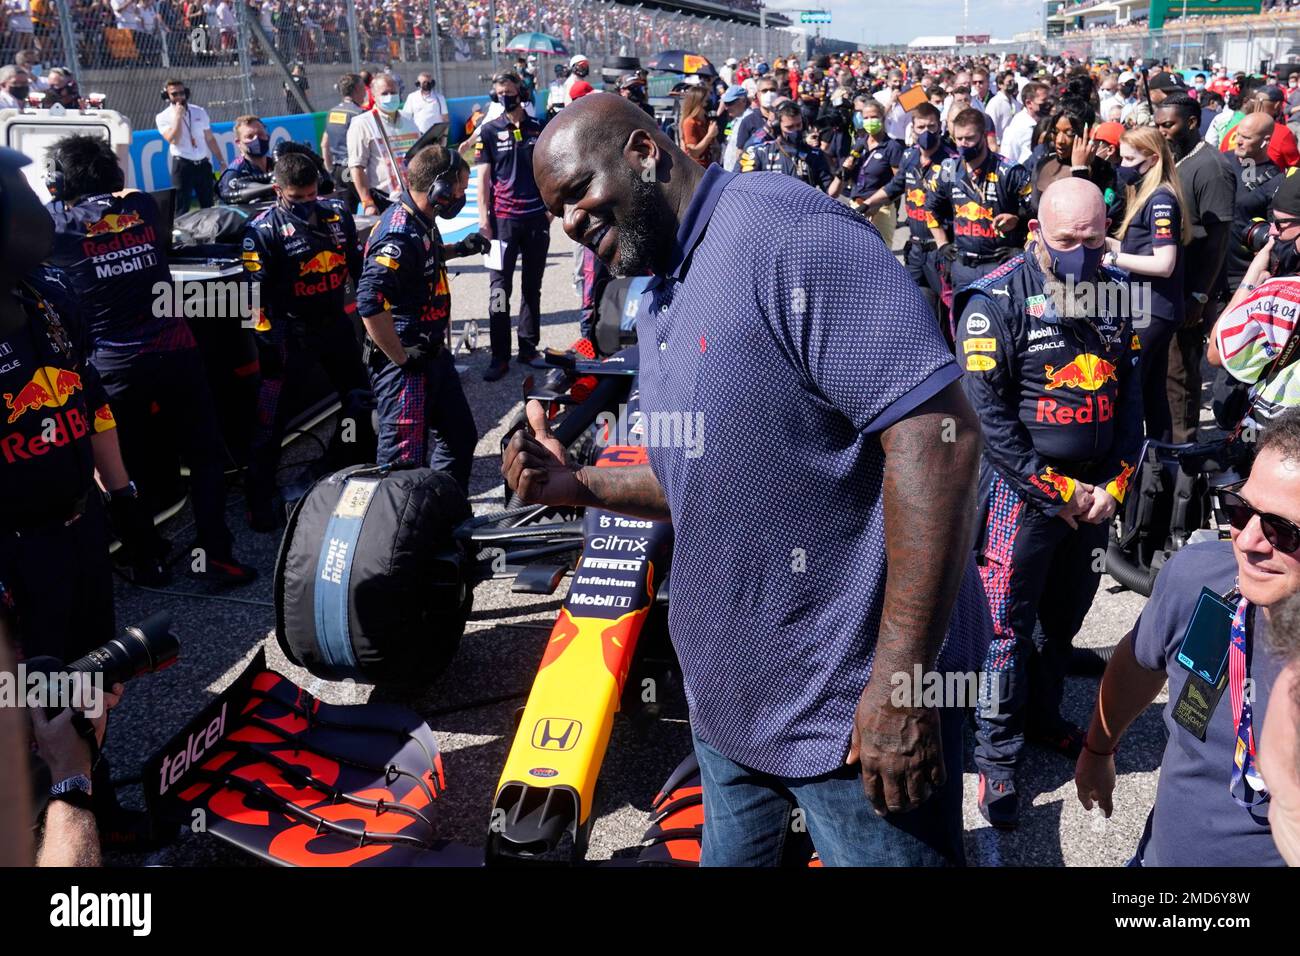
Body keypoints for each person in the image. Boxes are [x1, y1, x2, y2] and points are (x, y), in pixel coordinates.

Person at [517, 91, 991, 867]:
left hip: (846, 721)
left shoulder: (787, 234)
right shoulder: (658, 287)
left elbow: (939, 441)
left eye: (577, 193)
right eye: (554, 211)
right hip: (729, 716)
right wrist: (575, 487)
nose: (568, 222)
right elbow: (701, 478)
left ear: (644, 152)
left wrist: (901, 687)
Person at [957, 178, 1144, 829]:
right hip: (1022, 497)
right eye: (1069, 242)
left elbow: (1133, 404)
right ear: (1037, 230)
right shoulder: (994, 300)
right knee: (1005, 629)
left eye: (1095, 241)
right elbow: (989, 420)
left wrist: (1114, 485)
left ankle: (1041, 719)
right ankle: (996, 760)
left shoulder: (1117, 293)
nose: (1083, 255)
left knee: (1061, 621)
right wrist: (1058, 492)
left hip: (1095, 496)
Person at [1075, 409, 1300, 867]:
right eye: (1240, 511)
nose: (1249, 542)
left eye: (1282, 531)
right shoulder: (1198, 578)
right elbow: (1138, 663)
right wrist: (1098, 749)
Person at [44, 135, 255, 586]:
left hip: (114, 366)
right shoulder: (142, 206)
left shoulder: (55, 227)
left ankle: (146, 560)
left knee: (120, 467)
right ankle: (216, 555)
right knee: (203, 455)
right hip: (177, 350)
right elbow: (121, 194)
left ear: (58, 182)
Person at [0, 148, 161, 664]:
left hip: (82, 521)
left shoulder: (50, 293)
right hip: (18, 548)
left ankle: (88, 745)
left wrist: (123, 495)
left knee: (98, 665)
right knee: (34, 687)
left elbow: (90, 400)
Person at [239, 151, 374, 529]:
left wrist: (372, 315)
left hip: (333, 324)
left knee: (359, 398)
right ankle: (259, 500)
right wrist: (267, 345)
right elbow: (252, 299)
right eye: (296, 199)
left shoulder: (337, 215)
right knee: (270, 422)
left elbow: (359, 269)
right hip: (287, 333)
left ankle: (350, 464)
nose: (305, 205)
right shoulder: (261, 231)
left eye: (311, 195)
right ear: (278, 191)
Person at [355, 145, 483, 491]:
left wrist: (459, 249)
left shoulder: (421, 220)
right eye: (460, 187)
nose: (461, 194)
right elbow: (368, 299)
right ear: (439, 188)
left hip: (432, 354)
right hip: (405, 364)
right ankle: (405, 538)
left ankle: (442, 512)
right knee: (403, 466)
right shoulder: (398, 233)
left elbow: (423, 259)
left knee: (459, 437)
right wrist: (401, 357)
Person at [1156, 93, 1236, 444]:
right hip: (1168, 285)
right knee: (1164, 371)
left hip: (1192, 288)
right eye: (1158, 125)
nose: (1162, 132)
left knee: (1181, 373)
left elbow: (1219, 240)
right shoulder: (1176, 159)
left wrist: (1201, 295)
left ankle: (1182, 446)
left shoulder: (1211, 168)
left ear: (1191, 122)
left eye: (1169, 124)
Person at [1103, 126, 1191, 441]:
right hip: (1147, 305)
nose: (1122, 165)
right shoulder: (1147, 193)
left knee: (1133, 391)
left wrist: (1113, 260)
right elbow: (1137, 249)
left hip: (1151, 309)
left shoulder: (1161, 199)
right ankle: (1161, 467)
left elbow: (1164, 264)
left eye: (1129, 158)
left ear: (1152, 159)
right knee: (1154, 393)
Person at [1208, 171, 1300, 429]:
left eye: (1280, 224)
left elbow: (1216, 351)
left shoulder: (1282, 293)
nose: (1271, 232)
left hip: (1280, 431)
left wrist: (1251, 280)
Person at [475, 72, 551, 382]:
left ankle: (529, 348)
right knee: (498, 290)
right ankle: (499, 356)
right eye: (499, 93)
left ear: (521, 92)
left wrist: (551, 210)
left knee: (532, 286)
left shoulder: (538, 128)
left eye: (509, 91)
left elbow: (551, 170)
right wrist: (483, 220)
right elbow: (482, 179)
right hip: (501, 223)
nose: (505, 97)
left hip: (535, 220)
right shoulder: (489, 131)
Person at [860, 101, 955, 321]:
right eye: (921, 127)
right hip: (914, 249)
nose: (926, 133)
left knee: (947, 310)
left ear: (939, 127)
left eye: (931, 127)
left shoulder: (951, 161)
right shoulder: (909, 157)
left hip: (940, 249)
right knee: (917, 306)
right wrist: (867, 204)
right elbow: (895, 186)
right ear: (912, 128)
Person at [927, 107, 1032, 292]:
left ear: (983, 136)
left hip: (1001, 264)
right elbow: (930, 207)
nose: (963, 144)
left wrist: (1023, 248)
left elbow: (1036, 214)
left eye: (969, 138)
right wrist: (942, 243)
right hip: (963, 266)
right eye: (958, 139)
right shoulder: (950, 169)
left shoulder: (1010, 171)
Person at [1221, 112, 1285, 295]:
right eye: (1238, 134)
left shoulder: (1276, 180)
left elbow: (1276, 235)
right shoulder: (1221, 161)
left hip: (1241, 275)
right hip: (1208, 266)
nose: (1238, 141)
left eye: (1246, 138)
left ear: (1265, 140)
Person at [347, 73, 420, 216]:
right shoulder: (362, 123)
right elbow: (357, 167)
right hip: (385, 199)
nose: (390, 96)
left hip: (413, 196)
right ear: (373, 96)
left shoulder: (408, 119)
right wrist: (367, 202)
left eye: (393, 92)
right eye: (384, 93)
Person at [739, 101, 842, 198]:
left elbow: (831, 193)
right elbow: (743, 189)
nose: (795, 130)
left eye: (798, 125)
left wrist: (841, 175)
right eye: (789, 127)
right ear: (777, 127)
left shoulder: (814, 154)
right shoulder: (760, 152)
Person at [840, 96, 903, 244]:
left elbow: (899, 183)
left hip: (881, 209)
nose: (870, 121)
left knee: (882, 253)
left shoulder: (892, 147)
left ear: (882, 117)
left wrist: (878, 204)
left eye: (874, 117)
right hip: (856, 205)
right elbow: (850, 177)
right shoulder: (859, 144)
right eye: (866, 117)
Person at [154, 79, 224, 210]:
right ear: (167, 97)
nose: (179, 97)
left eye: (182, 93)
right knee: (181, 207)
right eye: (174, 94)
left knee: (209, 205)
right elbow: (173, 139)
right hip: (183, 165)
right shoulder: (162, 117)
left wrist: (221, 161)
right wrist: (177, 117)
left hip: (203, 164)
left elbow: (210, 138)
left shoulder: (199, 111)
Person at [320, 73, 366, 213]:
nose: (365, 91)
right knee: (371, 206)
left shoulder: (332, 112)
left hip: (338, 170)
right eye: (363, 87)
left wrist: (330, 170)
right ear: (357, 89)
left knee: (346, 213)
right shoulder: (360, 114)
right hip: (354, 169)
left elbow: (324, 144)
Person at [1000, 81, 1048, 166]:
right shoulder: (1016, 129)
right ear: (1029, 103)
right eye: (1044, 101)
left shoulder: (1046, 122)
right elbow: (1007, 161)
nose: (1048, 104)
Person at [678, 86, 717, 168]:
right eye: (707, 100)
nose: (709, 103)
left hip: (709, 165)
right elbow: (694, 153)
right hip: (696, 169)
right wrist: (709, 135)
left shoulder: (706, 119)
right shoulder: (689, 123)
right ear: (699, 102)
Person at [403, 71, 449, 138]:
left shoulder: (439, 98)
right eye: (424, 82)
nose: (427, 84)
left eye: (429, 82)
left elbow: (445, 119)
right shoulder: (412, 97)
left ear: (432, 83)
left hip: (436, 136)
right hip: (419, 136)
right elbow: (406, 117)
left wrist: (445, 137)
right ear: (418, 84)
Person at [986, 70, 1022, 146]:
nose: (1013, 84)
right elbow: (990, 127)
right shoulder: (995, 103)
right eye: (1009, 82)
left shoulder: (1015, 103)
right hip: (1000, 146)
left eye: (1013, 81)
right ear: (1000, 84)